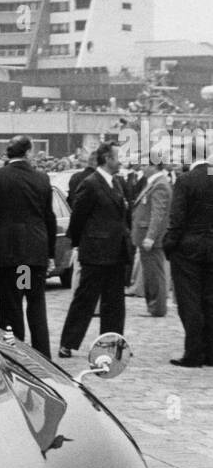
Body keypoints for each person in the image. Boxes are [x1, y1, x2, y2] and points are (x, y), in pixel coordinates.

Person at [0, 135, 57, 358]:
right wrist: (50, 252)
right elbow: (49, 218)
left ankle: (13, 353)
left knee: (11, 306)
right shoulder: (41, 179)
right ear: (28, 153)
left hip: (10, 252)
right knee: (35, 304)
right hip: (33, 253)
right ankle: (42, 354)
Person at [58, 142, 133, 358]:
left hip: (116, 252)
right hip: (95, 252)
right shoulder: (91, 184)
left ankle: (112, 344)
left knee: (115, 302)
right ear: (107, 159)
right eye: (118, 157)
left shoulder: (116, 183)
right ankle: (68, 343)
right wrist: (81, 243)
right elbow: (78, 217)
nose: (121, 161)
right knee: (85, 300)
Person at [163, 153, 213, 367]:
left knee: (189, 301)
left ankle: (193, 352)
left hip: (188, 247)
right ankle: (210, 352)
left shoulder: (186, 179)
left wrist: (169, 244)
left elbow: (177, 217)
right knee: (210, 300)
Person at [130, 161, 172, 317]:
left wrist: (150, 236)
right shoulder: (155, 182)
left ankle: (157, 307)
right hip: (145, 235)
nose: (142, 168)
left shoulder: (159, 184)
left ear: (155, 166)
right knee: (150, 273)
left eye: (145, 165)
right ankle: (154, 306)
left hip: (151, 238)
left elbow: (158, 214)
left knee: (155, 274)